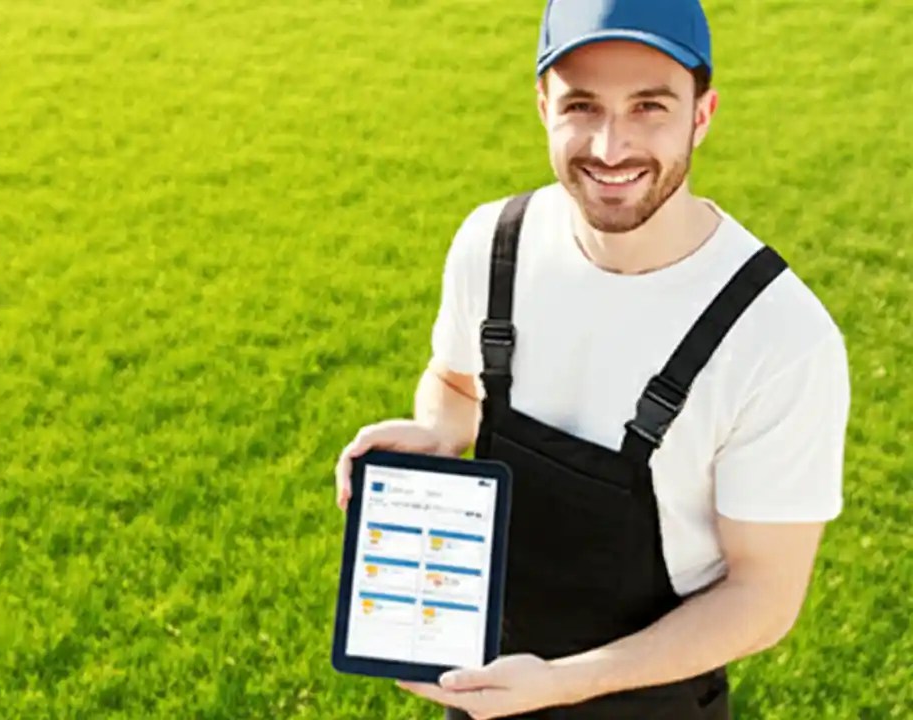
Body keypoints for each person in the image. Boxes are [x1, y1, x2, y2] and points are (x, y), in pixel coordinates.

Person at [331, 0, 851, 718]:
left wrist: (566, 682)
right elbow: (454, 382)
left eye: (649, 107)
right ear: (543, 104)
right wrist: (440, 435)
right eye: (583, 105)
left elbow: (763, 596)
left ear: (703, 114)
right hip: (485, 681)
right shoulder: (494, 244)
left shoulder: (779, 336)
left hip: (650, 699)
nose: (611, 147)